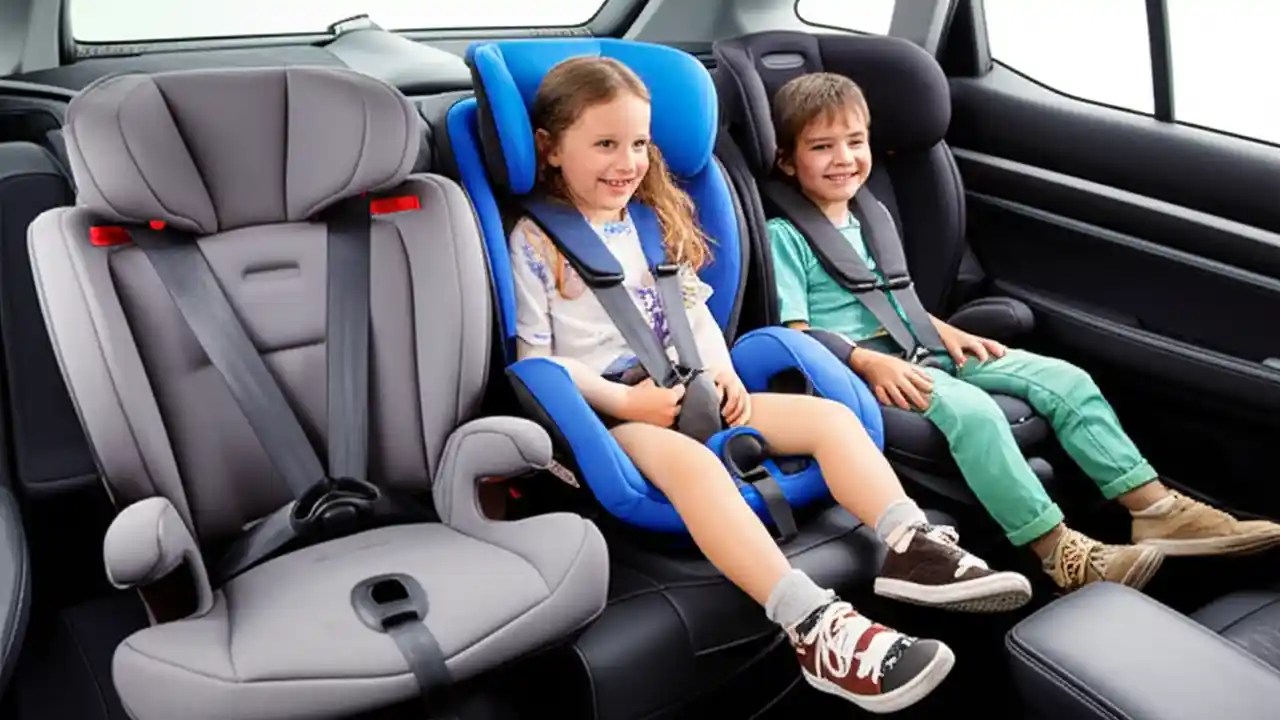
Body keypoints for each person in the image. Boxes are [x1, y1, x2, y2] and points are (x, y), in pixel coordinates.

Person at [505, 54, 1035, 714]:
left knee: (830, 422)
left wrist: (722, 374)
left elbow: (692, 312)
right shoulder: (535, 240)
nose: (627, 162)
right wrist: (624, 401)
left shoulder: (650, 218)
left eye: (639, 143)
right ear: (551, 150)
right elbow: (538, 360)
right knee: (694, 467)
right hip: (618, 415)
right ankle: (813, 625)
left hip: (698, 383)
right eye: (605, 144)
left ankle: (910, 545)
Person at [764, 71, 1280, 595]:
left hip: (922, 343)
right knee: (976, 414)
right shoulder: (785, 235)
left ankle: (1155, 509)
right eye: (822, 147)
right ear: (787, 161)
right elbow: (797, 335)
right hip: (864, 370)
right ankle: (1058, 550)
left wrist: (943, 331)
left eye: (855, 142)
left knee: (1066, 380)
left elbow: (896, 297)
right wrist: (866, 362)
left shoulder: (870, 214)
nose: (844, 159)